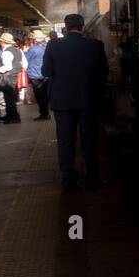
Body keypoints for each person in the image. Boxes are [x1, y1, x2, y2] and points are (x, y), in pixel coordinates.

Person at [42, 13, 107, 189]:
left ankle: (69, 179)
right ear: (83, 27)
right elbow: (103, 72)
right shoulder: (95, 45)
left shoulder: (53, 46)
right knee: (89, 139)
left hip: (62, 101)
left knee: (65, 140)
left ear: (65, 27)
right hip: (88, 100)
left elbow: (46, 71)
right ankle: (93, 178)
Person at [0, 31, 24, 123]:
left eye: (0, 42)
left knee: (9, 98)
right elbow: (22, 63)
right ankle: (10, 115)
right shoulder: (17, 50)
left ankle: (13, 118)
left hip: (8, 76)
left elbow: (8, 66)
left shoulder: (6, 52)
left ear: (3, 42)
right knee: (10, 97)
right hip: (14, 75)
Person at [25, 29, 50, 119]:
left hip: (35, 75)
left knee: (39, 96)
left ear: (34, 40)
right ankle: (46, 112)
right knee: (45, 94)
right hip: (46, 74)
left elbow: (26, 60)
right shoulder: (47, 47)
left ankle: (44, 114)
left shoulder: (33, 49)